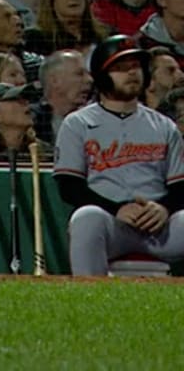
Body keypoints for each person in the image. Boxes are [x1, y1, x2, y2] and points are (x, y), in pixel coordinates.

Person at [56, 35, 184, 276]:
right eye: (121, 68)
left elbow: (180, 186)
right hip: (111, 223)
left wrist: (164, 208)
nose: (132, 73)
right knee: (86, 217)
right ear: (102, 75)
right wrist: (116, 209)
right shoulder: (77, 123)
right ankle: (88, 295)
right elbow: (69, 186)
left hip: (159, 226)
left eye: (136, 66)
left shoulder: (164, 126)